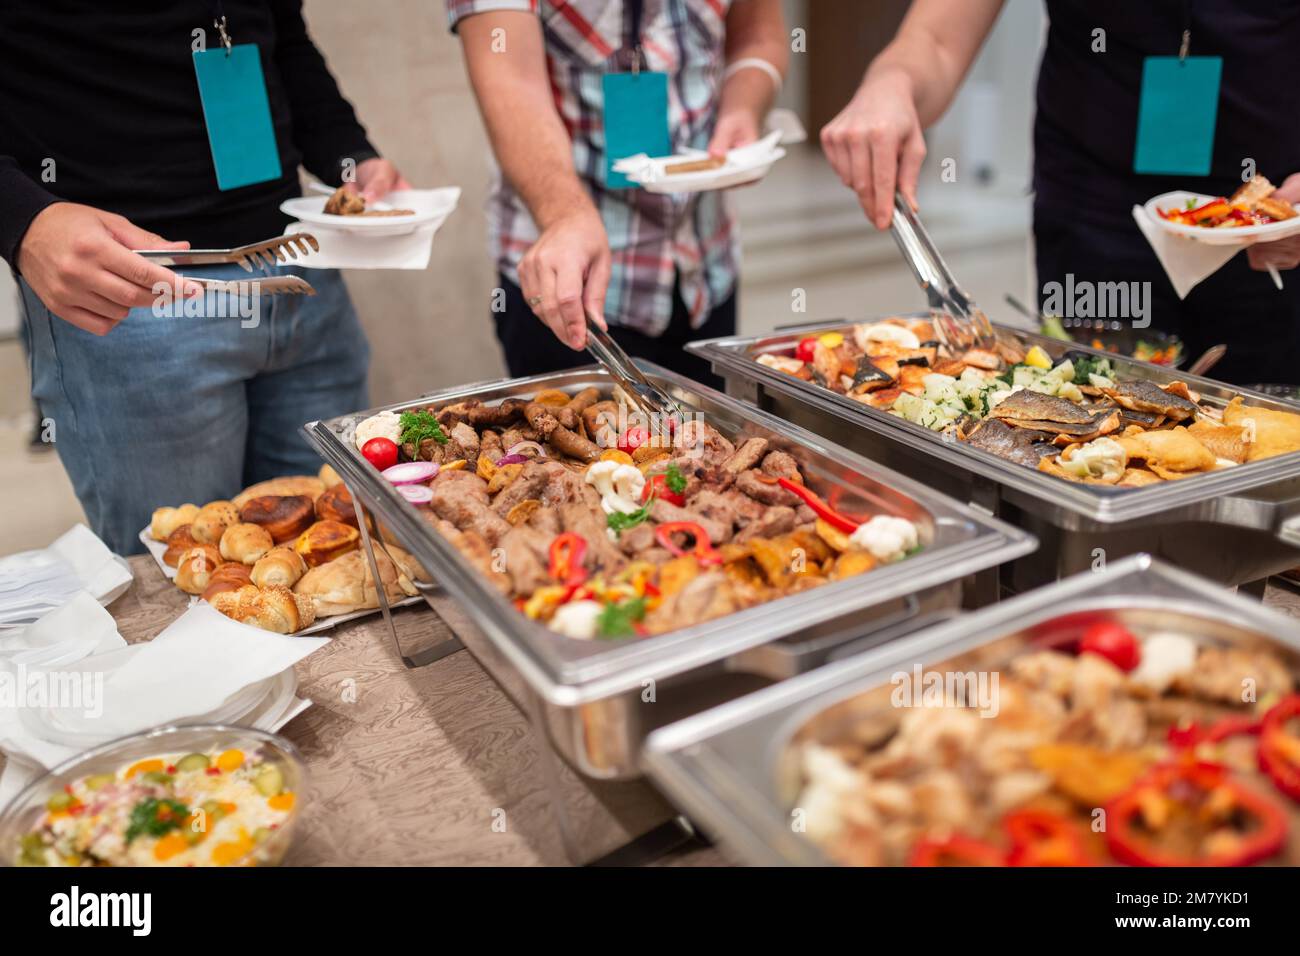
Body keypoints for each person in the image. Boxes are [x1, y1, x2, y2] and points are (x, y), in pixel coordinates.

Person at [0, 2, 407, 554]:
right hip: (136, 292)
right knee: (182, 580)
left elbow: (280, 33)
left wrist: (347, 153)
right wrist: (22, 219)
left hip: (303, 272)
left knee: (335, 551)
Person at [820, 0, 1300, 386]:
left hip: (1271, 208)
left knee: (1264, 417)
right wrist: (891, 82)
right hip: (1092, 197)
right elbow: (937, 39)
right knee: (1085, 401)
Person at [447, 0, 787, 385]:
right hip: (572, 279)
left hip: (705, 267)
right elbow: (509, 75)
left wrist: (742, 109)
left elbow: (759, 37)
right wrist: (565, 215)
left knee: (703, 440)